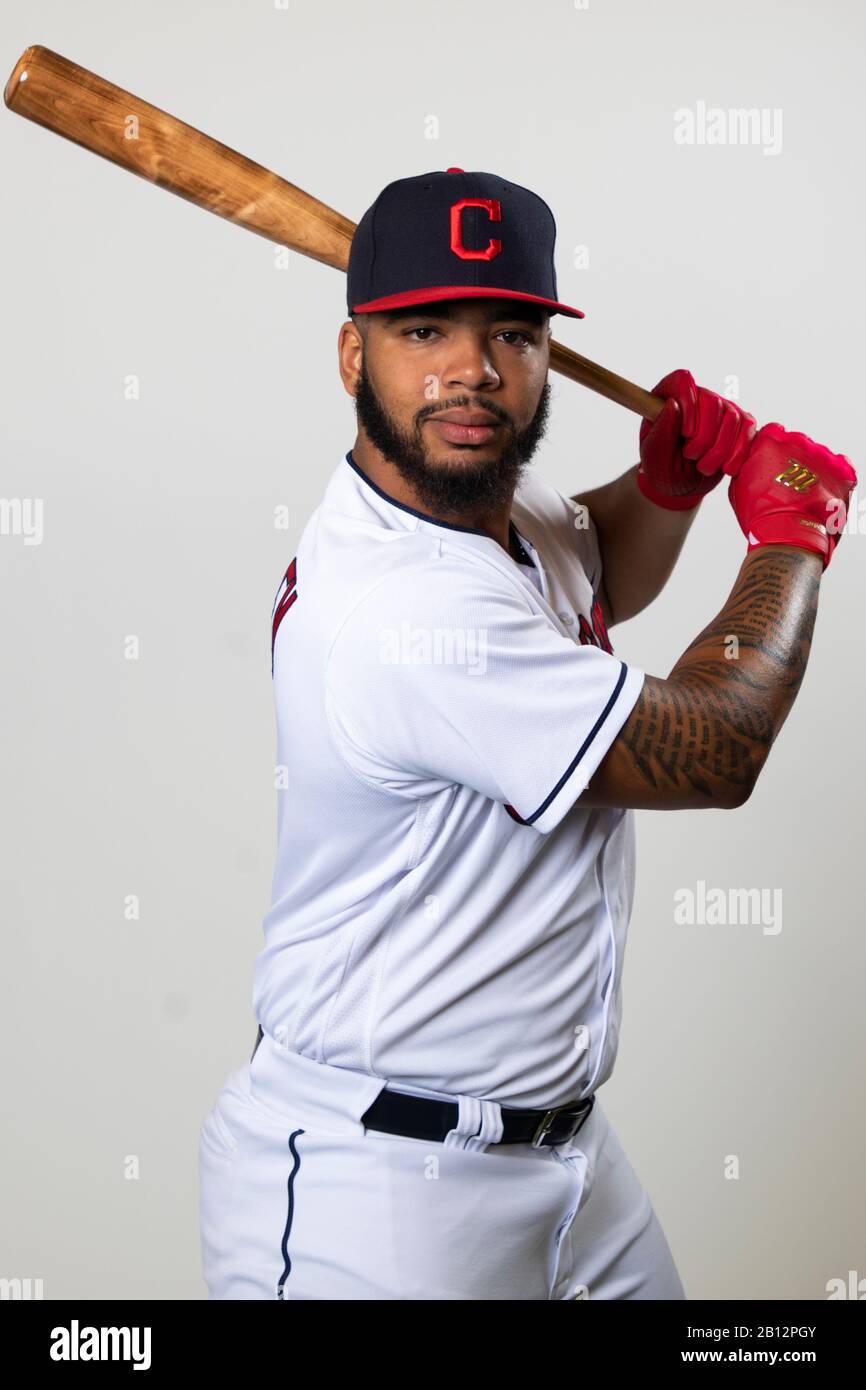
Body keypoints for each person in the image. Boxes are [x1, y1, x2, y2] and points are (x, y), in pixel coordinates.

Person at [198, 169, 856, 1300]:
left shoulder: (481, 502)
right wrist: (791, 533)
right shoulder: (402, 612)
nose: (473, 371)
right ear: (353, 356)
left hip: (566, 1160)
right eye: (424, 330)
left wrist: (665, 485)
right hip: (382, 1192)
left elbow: (589, 562)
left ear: (546, 354)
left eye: (510, 332)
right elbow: (715, 747)